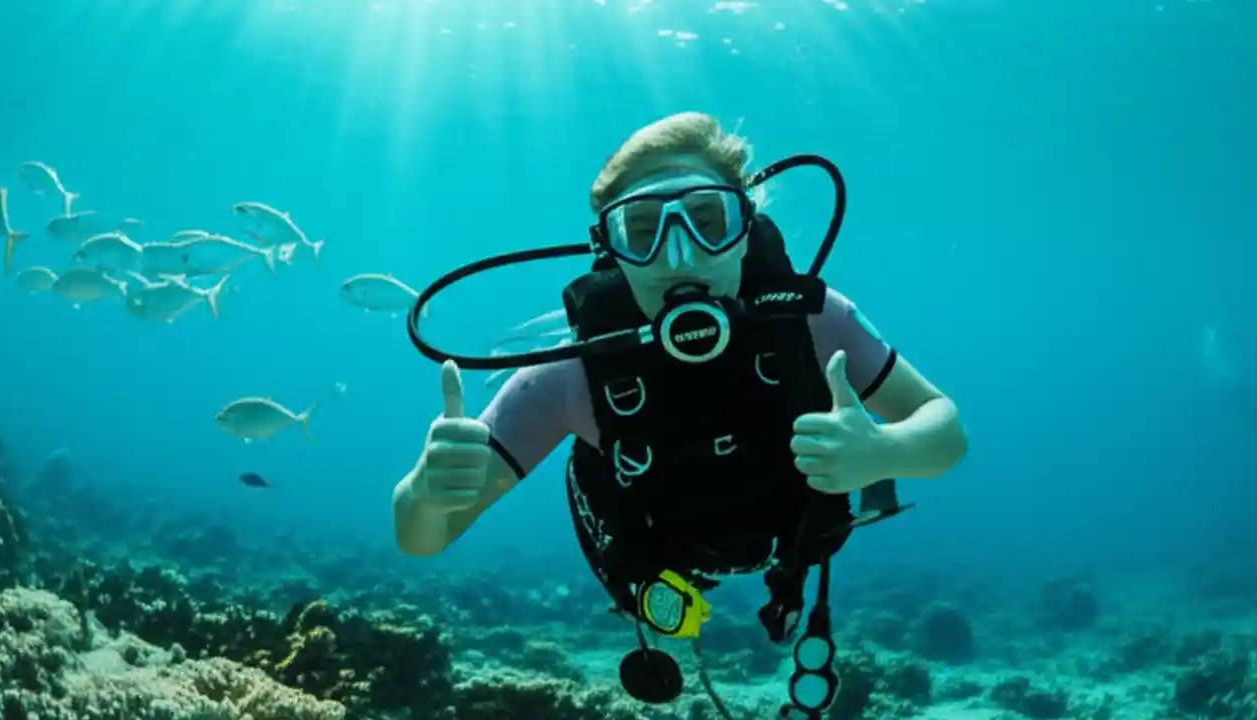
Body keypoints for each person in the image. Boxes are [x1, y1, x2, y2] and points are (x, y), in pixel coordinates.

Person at [393, 111, 968, 718]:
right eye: (642, 231)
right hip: (654, 560)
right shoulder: (572, 371)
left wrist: (883, 452)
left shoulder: (812, 321)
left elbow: (946, 429)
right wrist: (426, 493)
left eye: (707, 220)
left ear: (745, 228)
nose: (678, 255)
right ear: (612, 253)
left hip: (796, 541)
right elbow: (423, 538)